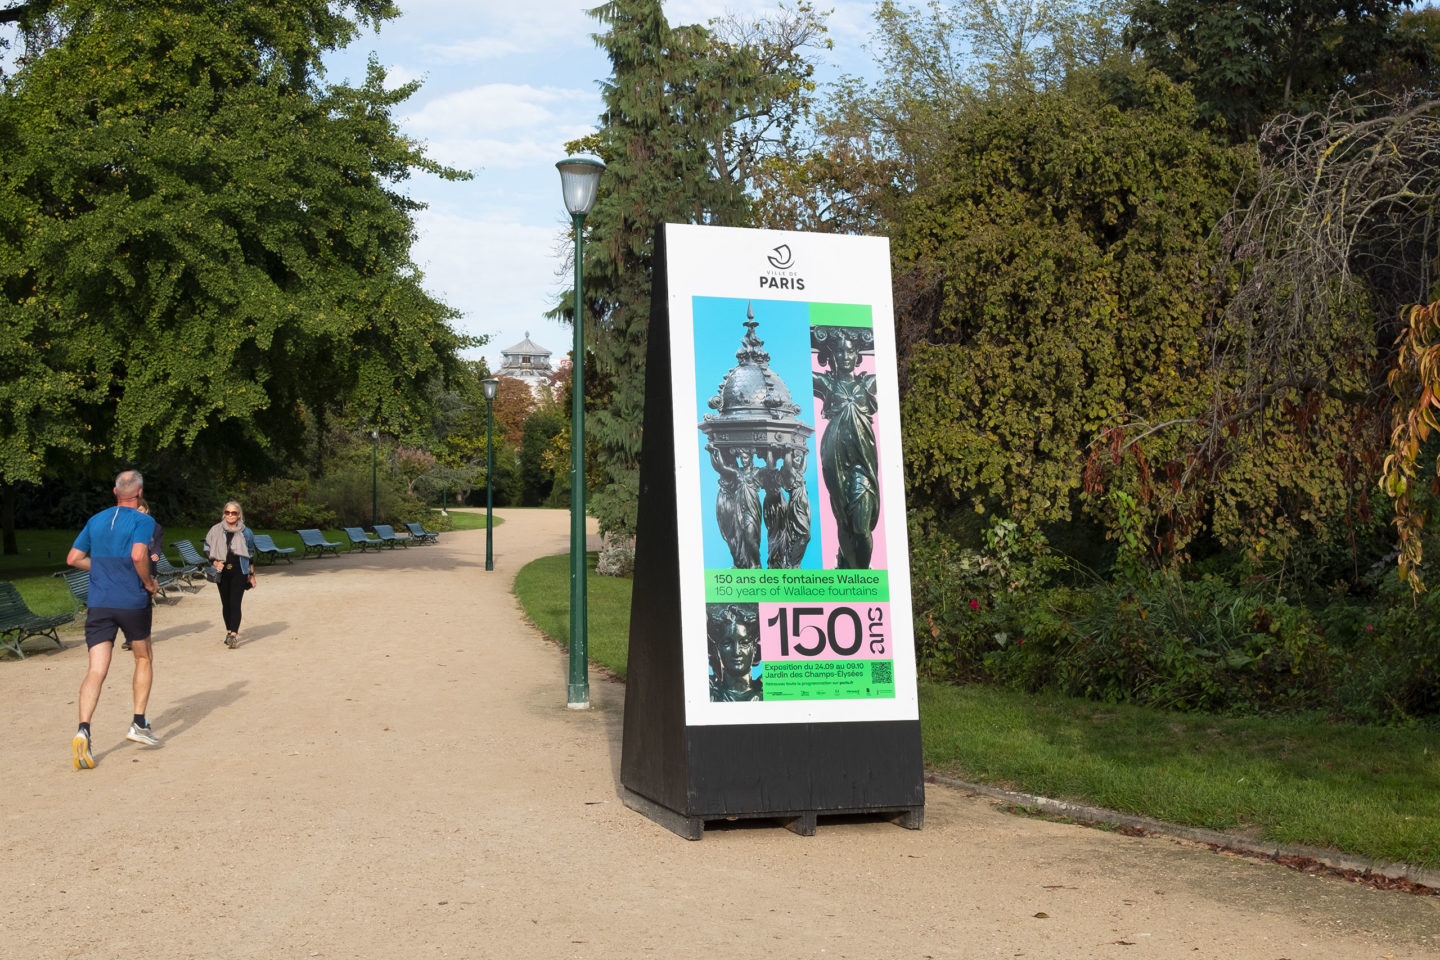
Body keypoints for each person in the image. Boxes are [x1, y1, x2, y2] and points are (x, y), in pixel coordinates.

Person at [66, 469, 162, 769]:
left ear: (115, 492)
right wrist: (148, 583)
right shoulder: (143, 521)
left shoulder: (95, 520)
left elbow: (73, 558)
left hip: (99, 604)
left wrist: (102, 568)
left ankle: (83, 729)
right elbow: (138, 555)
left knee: (96, 669)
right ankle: (138, 723)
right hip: (131, 601)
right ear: (140, 493)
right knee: (143, 658)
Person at [813, 328, 880, 569]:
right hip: (836, 462)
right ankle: (849, 572)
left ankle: (862, 572)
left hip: (863, 463)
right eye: (839, 352)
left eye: (850, 351)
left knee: (861, 528)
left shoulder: (868, 384)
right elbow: (796, 371)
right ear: (832, 356)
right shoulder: (828, 384)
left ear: (857, 354)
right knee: (843, 520)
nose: (844, 356)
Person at [204, 501, 257, 648]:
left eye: (234, 513)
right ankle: (228, 631)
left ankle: (234, 634)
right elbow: (206, 548)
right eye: (227, 512)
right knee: (226, 603)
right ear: (224, 513)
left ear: (239, 515)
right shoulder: (215, 530)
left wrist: (252, 574)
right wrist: (215, 563)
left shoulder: (246, 532)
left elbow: (250, 554)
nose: (230, 515)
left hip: (239, 571)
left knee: (235, 603)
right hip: (222, 571)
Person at [707, 603, 763, 702]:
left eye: (744, 643)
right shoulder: (709, 694)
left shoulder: (769, 692)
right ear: (717, 649)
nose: (736, 652)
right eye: (727, 644)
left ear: (754, 648)